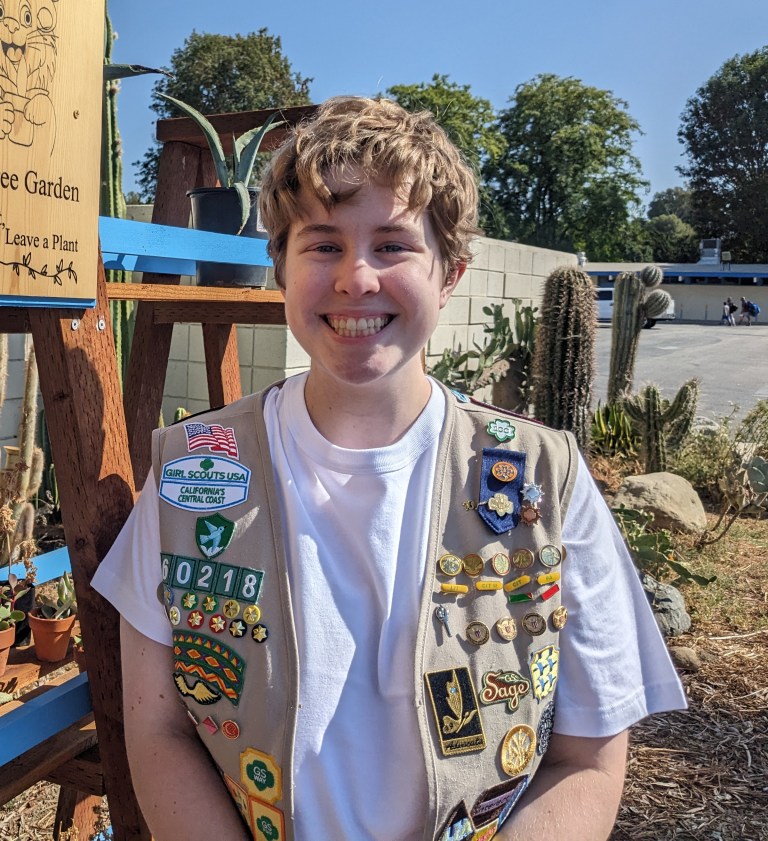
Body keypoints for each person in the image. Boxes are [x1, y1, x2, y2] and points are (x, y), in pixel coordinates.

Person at [92, 96, 687, 841]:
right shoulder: (191, 475)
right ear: (280, 266)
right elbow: (159, 733)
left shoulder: (546, 478)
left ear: (450, 273)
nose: (356, 279)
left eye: (393, 244)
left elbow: (589, 759)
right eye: (323, 244)